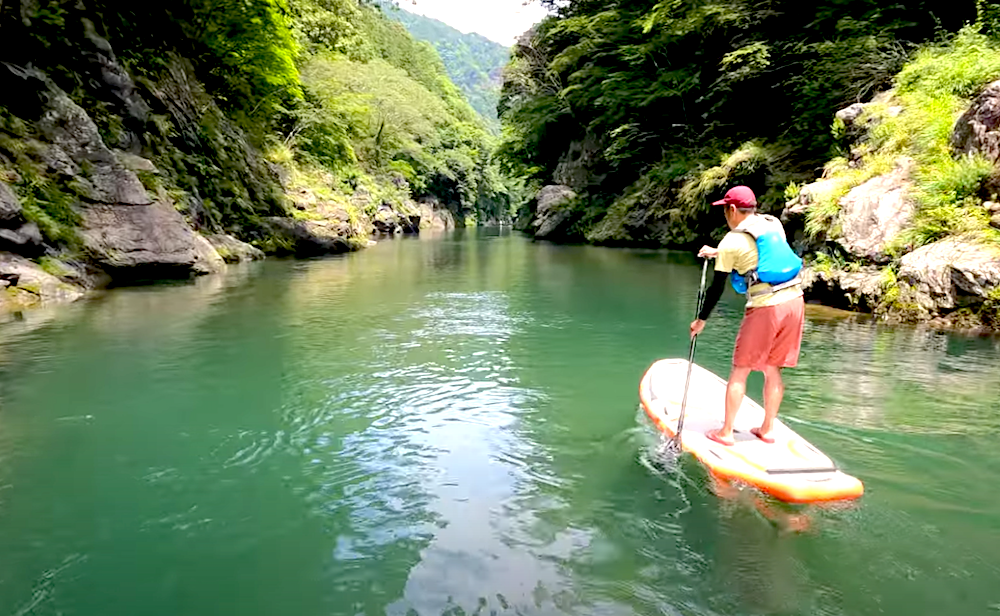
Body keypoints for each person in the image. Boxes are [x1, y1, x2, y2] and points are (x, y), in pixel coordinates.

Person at [688, 185, 805, 446]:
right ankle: (767, 429)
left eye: (725, 210)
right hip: (795, 300)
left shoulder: (730, 240)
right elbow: (762, 255)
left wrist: (700, 320)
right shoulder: (772, 223)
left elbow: (717, 287)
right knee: (772, 368)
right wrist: (718, 253)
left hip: (766, 307)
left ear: (732, 209)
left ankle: (726, 433)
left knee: (741, 370)